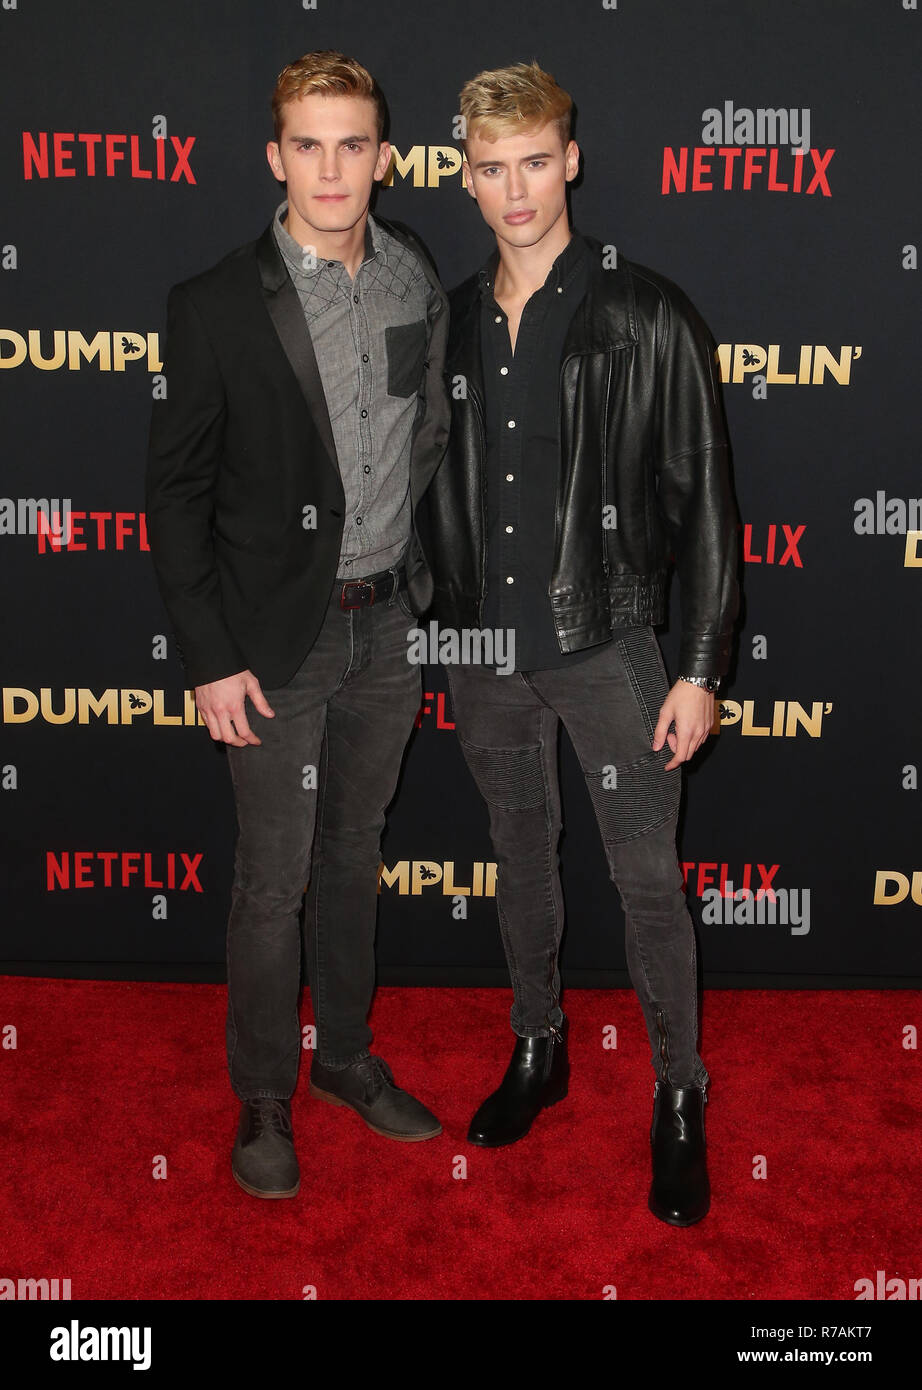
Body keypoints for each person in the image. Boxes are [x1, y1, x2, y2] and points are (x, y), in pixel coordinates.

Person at [423, 61, 740, 1225]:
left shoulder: (644, 312)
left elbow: (705, 497)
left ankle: (677, 1093)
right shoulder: (446, 321)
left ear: (571, 159)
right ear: (466, 177)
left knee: (648, 885)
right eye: (492, 169)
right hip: (483, 650)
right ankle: (538, 1046)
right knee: (521, 859)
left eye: (535, 162)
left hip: (606, 643)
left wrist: (700, 666)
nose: (517, 191)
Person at [145, 51, 450, 1199]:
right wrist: (209, 656)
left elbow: (423, 441)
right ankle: (265, 1096)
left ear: (383, 153)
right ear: (276, 157)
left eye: (353, 143)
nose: (333, 168)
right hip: (275, 643)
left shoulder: (415, 274)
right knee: (272, 879)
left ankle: (351, 1061)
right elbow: (174, 496)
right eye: (308, 144)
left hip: (387, 628)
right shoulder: (214, 303)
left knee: (354, 859)